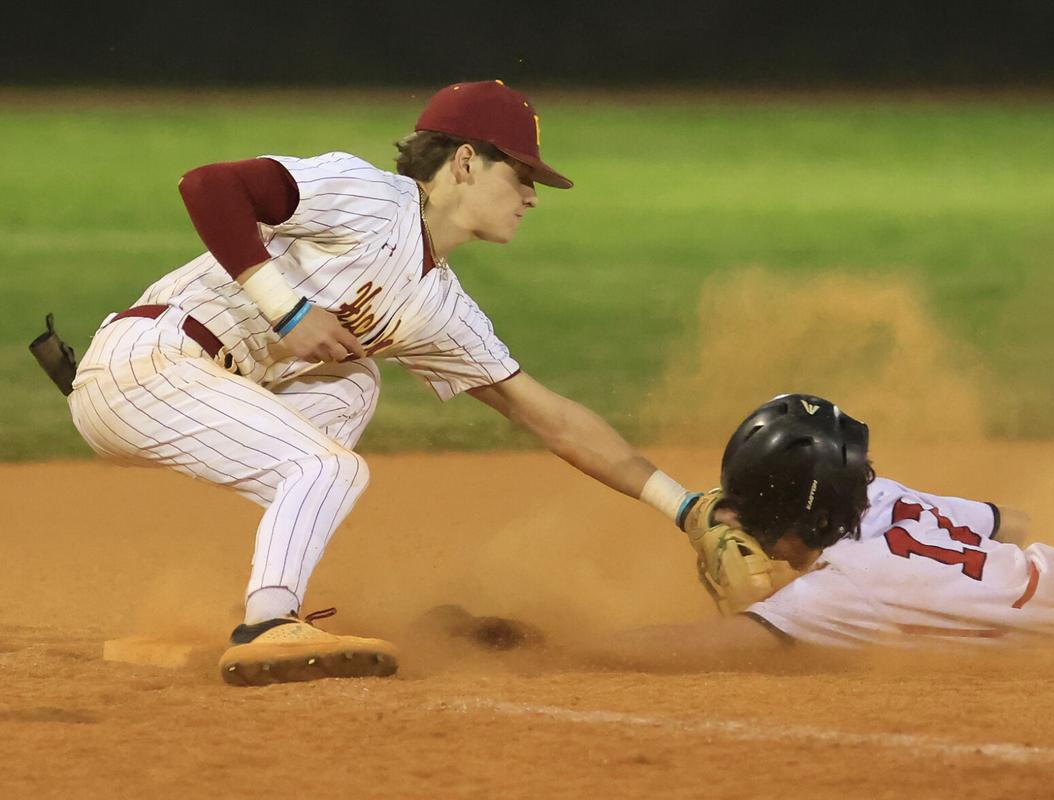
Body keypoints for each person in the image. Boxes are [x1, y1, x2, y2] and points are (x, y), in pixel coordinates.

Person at [65, 80, 702, 687]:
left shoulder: (440, 306)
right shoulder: (368, 196)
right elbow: (208, 185)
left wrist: (687, 507)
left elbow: (550, 417)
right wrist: (284, 307)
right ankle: (267, 622)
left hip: (194, 391)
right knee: (331, 470)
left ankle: (266, 597)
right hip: (147, 362)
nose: (532, 196)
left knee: (355, 379)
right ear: (464, 163)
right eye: (522, 174)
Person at [437, 393, 1054, 670]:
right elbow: (1013, 525)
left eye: (758, 517)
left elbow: (699, 649)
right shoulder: (877, 493)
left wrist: (541, 646)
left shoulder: (849, 593)